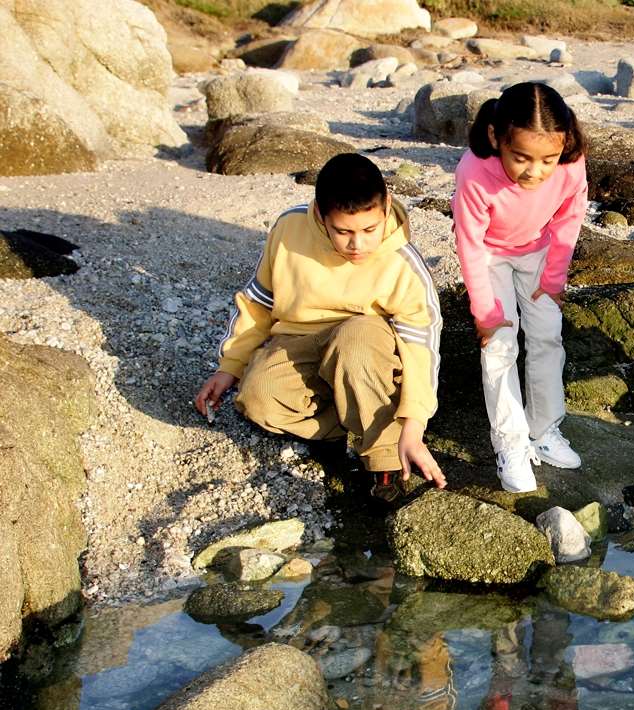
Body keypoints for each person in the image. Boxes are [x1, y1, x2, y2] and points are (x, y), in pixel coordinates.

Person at [193, 152, 446, 500]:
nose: (358, 244)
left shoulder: (402, 263)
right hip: (299, 339)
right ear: (320, 215)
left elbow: (422, 344)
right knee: (257, 399)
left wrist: (415, 423)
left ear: (386, 206)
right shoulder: (288, 229)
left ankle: (384, 463)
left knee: (355, 340)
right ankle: (347, 426)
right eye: (343, 232)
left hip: (367, 346)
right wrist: (230, 366)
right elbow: (258, 304)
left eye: (369, 230)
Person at [452, 81, 588, 493]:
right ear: (496, 137)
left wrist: (553, 280)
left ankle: (544, 430)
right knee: (499, 346)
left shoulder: (570, 164)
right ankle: (510, 443)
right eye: (521, 158)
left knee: (547, 335)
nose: (535, 171)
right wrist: (486, 313)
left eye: (548, 159)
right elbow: (469, 244)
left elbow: (570, 217)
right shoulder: (475, 172)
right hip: (490, 255)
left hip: (539, 250)